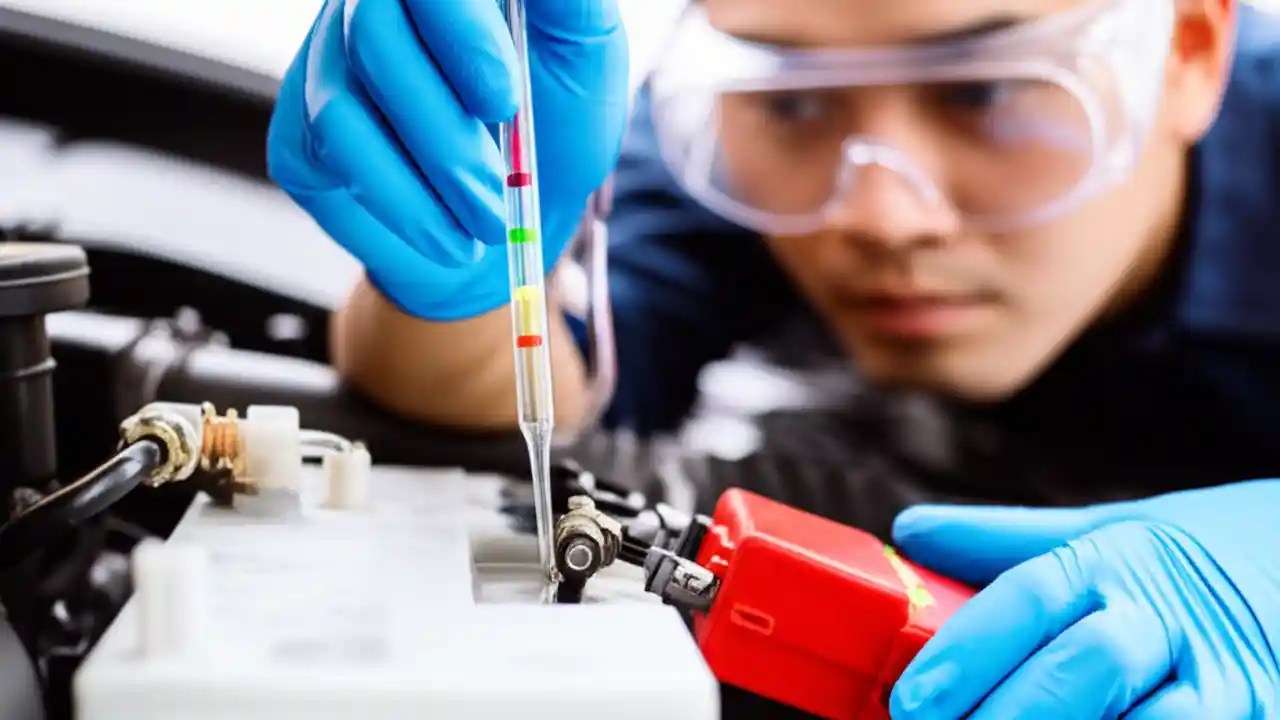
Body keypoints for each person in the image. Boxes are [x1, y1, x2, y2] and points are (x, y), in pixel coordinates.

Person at [267, 0, 1279, 717]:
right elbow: (537, 381)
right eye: (796, 101)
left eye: (982, 90)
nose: (880, 216)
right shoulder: (739, 129)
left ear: (1187, 49)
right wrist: (458, 279)